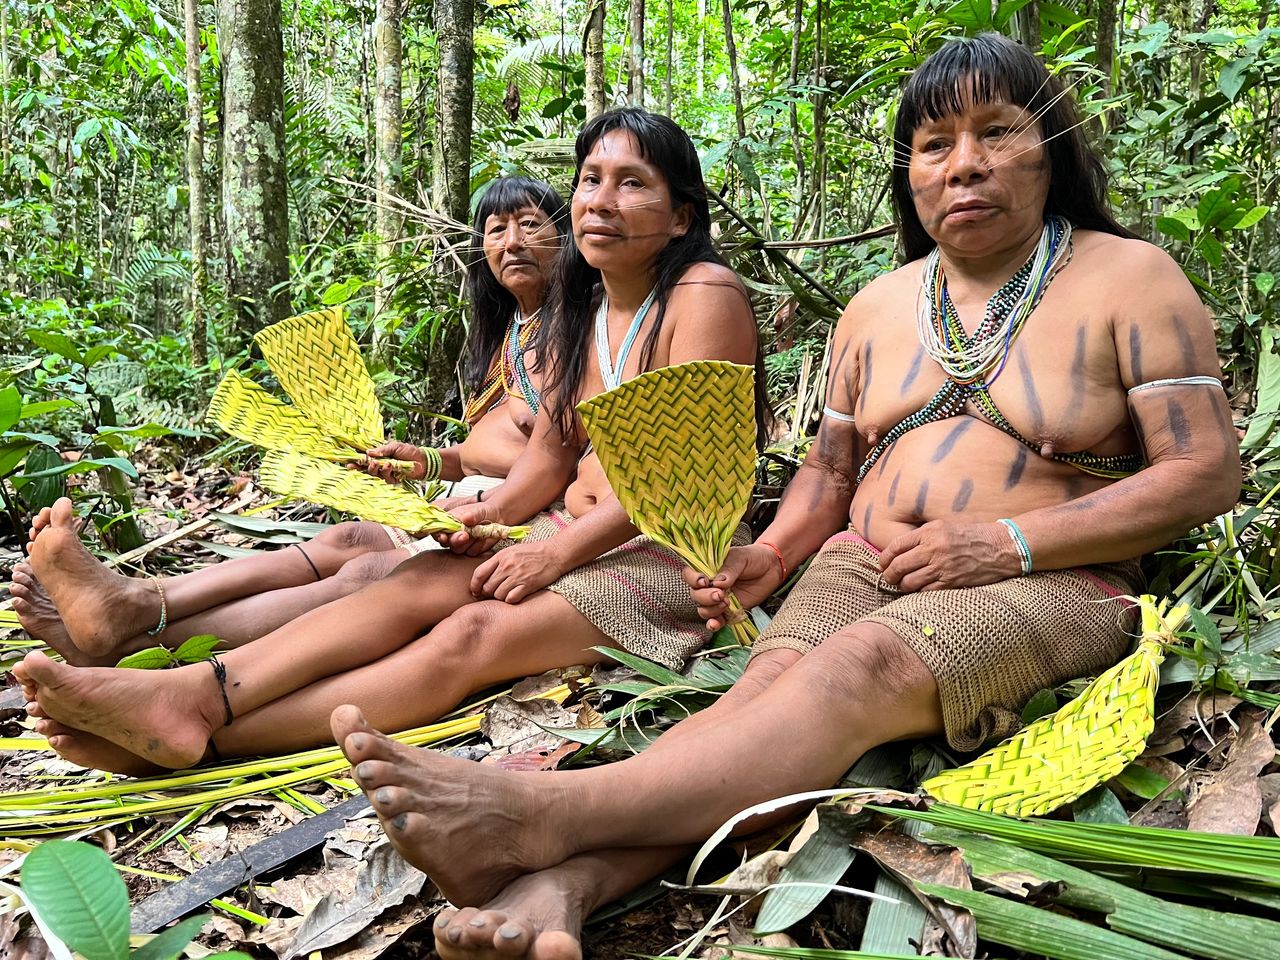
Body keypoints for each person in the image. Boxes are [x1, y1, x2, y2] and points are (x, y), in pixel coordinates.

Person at [307, 33, 1236, 960]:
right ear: (908, 171)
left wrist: (1008, 542)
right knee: (755, 705)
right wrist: (773, 556)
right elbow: (829, 476)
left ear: (1051, 148)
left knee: (857, 669)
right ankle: (562, 889)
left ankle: (543, 814)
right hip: (859, 559)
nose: (966, 165)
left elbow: (1202, 474)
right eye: (935, 143)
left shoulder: (1130, 278)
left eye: (997, 132)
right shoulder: (877, 306)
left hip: (1059, 582)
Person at [19, 108, 768, 777]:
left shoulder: (703, 295)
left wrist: (553, 554)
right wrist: (489, 517)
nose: (600, 201)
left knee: (472, 631)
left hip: (676, 552)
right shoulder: (583, 306)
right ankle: (193, 694)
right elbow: (552, 451)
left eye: (632, 183)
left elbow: (675, 480)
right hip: (569, 530)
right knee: (411, 581)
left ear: (680, 216)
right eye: (590, 179)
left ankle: (207, 734)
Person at [8, 176, 567, 665]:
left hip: (520, 516)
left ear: (564, 239)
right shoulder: (506, 335)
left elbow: (559, 460)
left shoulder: (576, 334)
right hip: (475, 498)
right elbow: (486, 448)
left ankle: (126, 643)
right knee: (344, 538)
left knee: (367, 575)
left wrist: (481, 508)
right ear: (481, 251)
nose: (511, 241)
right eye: (495, 229)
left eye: (529, 224)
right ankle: (132, 606)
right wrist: (421, 461)